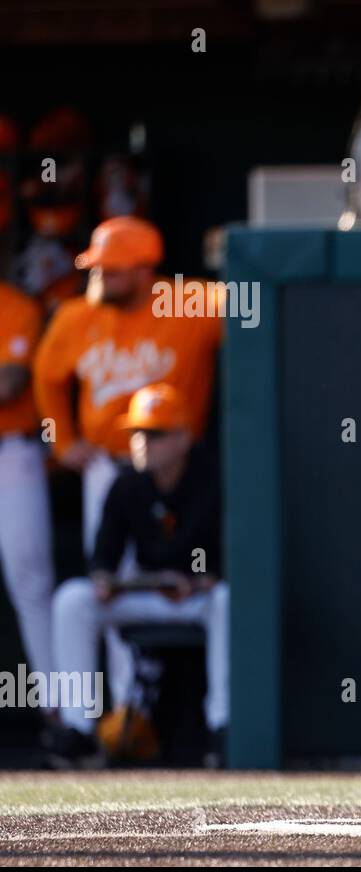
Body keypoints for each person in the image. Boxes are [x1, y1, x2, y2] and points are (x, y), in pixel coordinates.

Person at [32, 216, 223, 714]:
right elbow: (46, 376)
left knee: (183, 572)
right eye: (98, 269)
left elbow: (261, 309)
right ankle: (100, 718)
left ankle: (136, 711)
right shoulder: (76, 315)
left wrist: (234, 256)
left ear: (145, 269)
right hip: (108, 466)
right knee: (105, 583)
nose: (101, 279)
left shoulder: (189, 302)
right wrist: (63, 441)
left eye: (113, 271)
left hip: (181, 468)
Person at [45, 384, 226, 768]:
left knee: (226, 601)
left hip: (194, 599)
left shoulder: (210, 480)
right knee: (72, 600)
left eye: (156, 434)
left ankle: (221, 726)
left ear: (183, 437)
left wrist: (199, 579)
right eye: (137, 434)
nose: (144, 443)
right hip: (147, 593)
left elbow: (227, 556)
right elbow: (104, 557)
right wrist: (105, 580)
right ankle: (78, 727)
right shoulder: (127, 484)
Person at [0, 281, 55, 717]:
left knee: (30, 580)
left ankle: (62, 714)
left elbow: (10, 383)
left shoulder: (16, 305)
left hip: (12, 451)